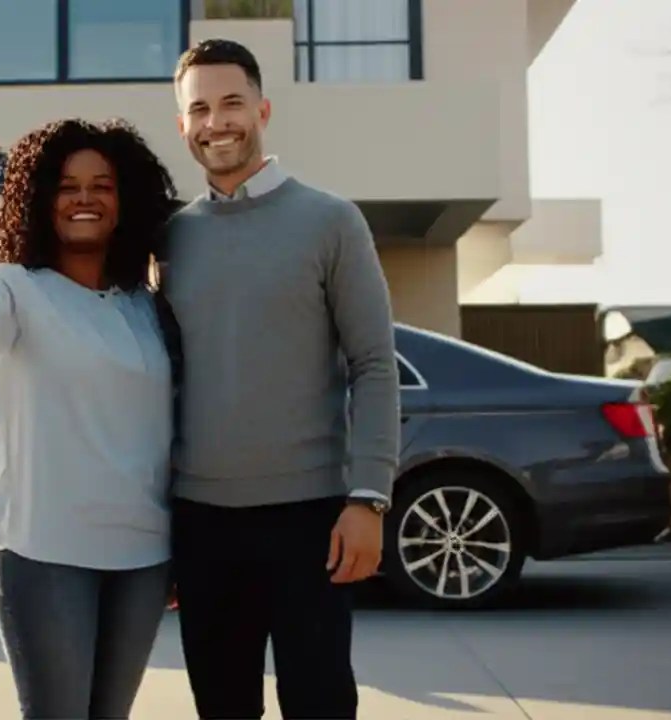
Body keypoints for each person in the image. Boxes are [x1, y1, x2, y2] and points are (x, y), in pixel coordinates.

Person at [160, 39, 401, 719]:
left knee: (320, 705)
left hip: (312, 519)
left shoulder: (330, 221)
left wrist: (369, 498)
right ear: (183, 126)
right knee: (223, 708)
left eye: (231, 102)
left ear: (262, 108)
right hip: (201, 524)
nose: (217, 122)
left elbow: (374, 365)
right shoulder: (170, 239)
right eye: (199, 109)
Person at [0, 118, 182, 719]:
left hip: (142, 555)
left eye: (102, 185)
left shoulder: (145, 305)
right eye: (67, 185)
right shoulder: (15, 287)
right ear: (40, 198)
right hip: (44, 551)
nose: (83, 198)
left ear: (124, 202)